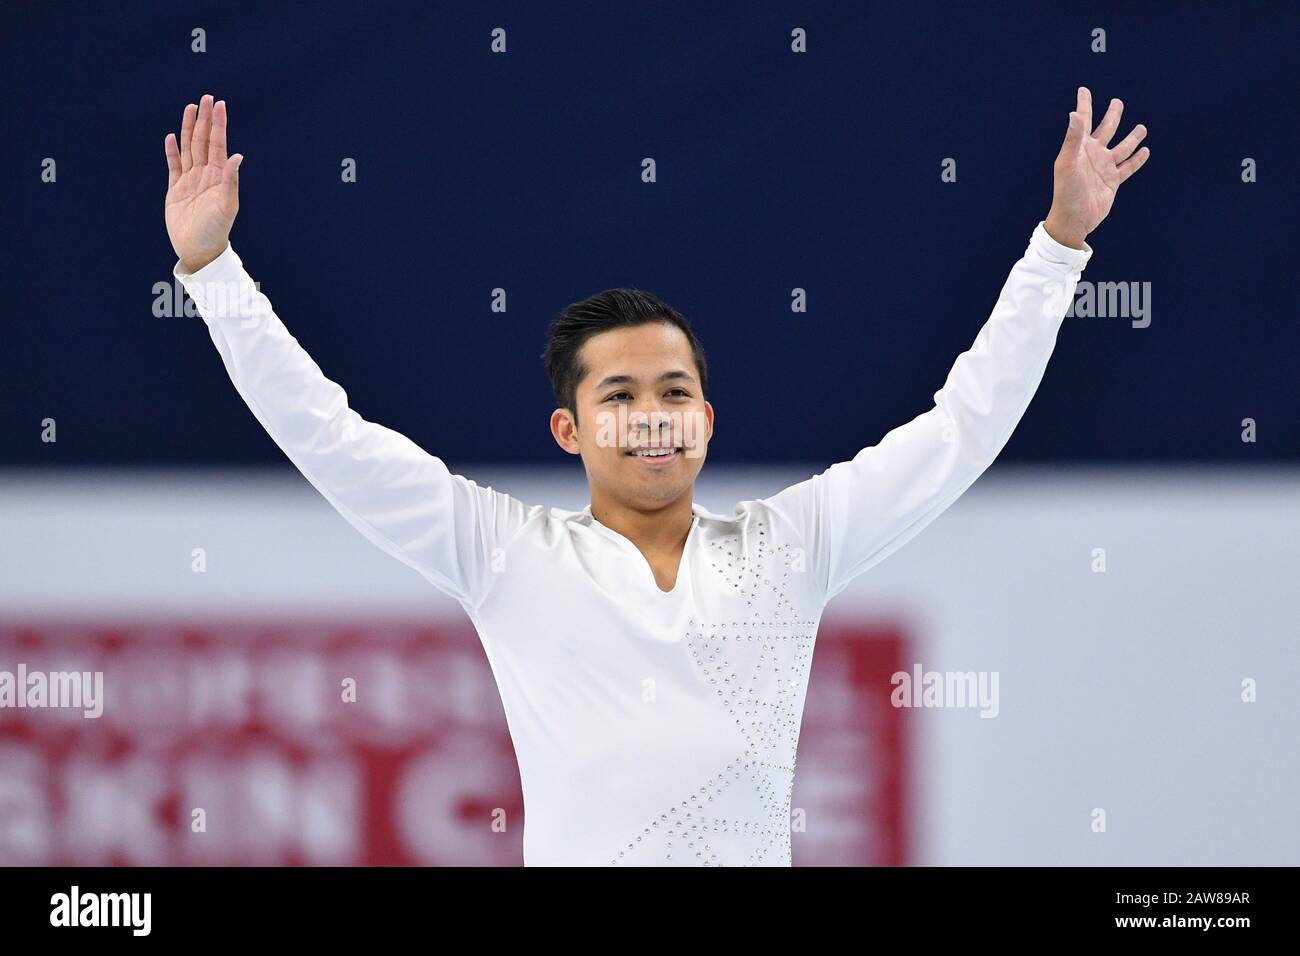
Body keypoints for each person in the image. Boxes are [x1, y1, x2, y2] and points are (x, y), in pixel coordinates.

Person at [162, 89, 1148, 866]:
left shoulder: (788, 548)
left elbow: (959, 430)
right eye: (620, 394)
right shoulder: (506, 554)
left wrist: (1059, 246)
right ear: (569, 427)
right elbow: (328, 435)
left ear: (705, 422)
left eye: (672, 390)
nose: (650, 416)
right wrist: (211, 271)